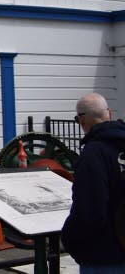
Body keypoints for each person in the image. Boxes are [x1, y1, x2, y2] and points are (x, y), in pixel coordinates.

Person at [61, 92, 125, 273]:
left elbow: (90, 212)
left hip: (104, 256)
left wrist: (70, 239)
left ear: (81, 120)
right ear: (109, 113)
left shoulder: (93, 155)